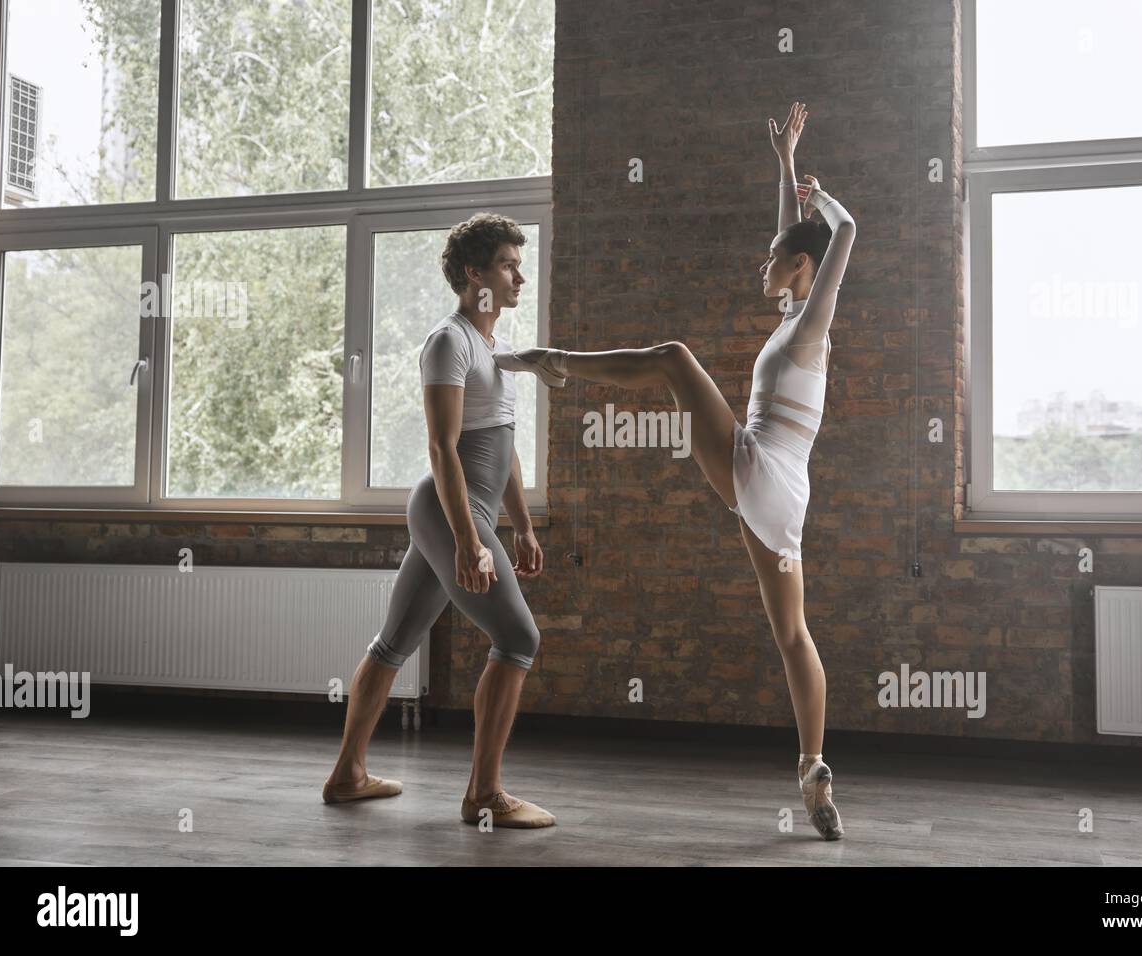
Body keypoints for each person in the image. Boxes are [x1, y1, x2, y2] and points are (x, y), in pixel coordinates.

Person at [496, 102, 855, 839]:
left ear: (801, 271)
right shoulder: (796, 318)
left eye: (773, 260)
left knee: (672, 358)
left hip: (762, 469)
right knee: (793, 636)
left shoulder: (815, 321)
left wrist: (820, 200)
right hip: (782, 491)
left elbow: (842, 234)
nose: (761, 265)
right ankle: (813, 769)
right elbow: (797, 238)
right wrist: (787, 166)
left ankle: (552, 363)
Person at [322, 212, 555, 828]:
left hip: (467, 511)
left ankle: (347, 776)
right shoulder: (449, 341)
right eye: (507, 264)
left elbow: (503, 449)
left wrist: (523, 527)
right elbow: (442, 449)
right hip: (447, 510)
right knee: (519, 640)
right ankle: (484, 795)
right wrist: (469, 540)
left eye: (517, 264)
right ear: (473, 273)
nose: (518, 276)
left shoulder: (497, 349)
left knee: (394, 641)